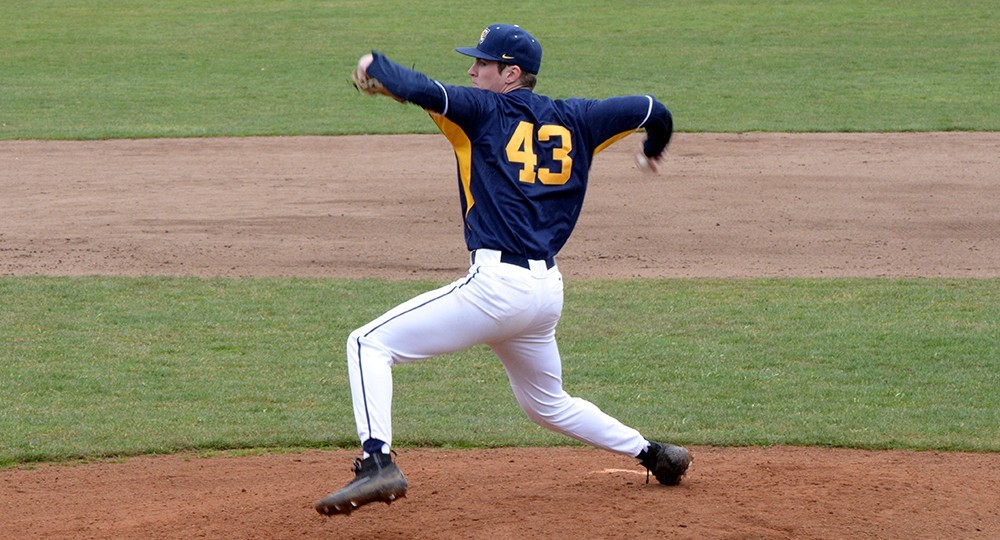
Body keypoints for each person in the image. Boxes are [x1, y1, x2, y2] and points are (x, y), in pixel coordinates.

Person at [315, 23, 690, 516]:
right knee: (546, 404)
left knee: (367, 343)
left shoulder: (479, 110)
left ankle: (377, 462)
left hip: (495, 288)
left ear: (511, 74)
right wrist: (651, 149)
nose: (472, 71)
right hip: (544, 293)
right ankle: (655, 455)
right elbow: (651, 110)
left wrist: (371, 67)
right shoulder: (580, 118)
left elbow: (417, 87)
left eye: (482, 64)